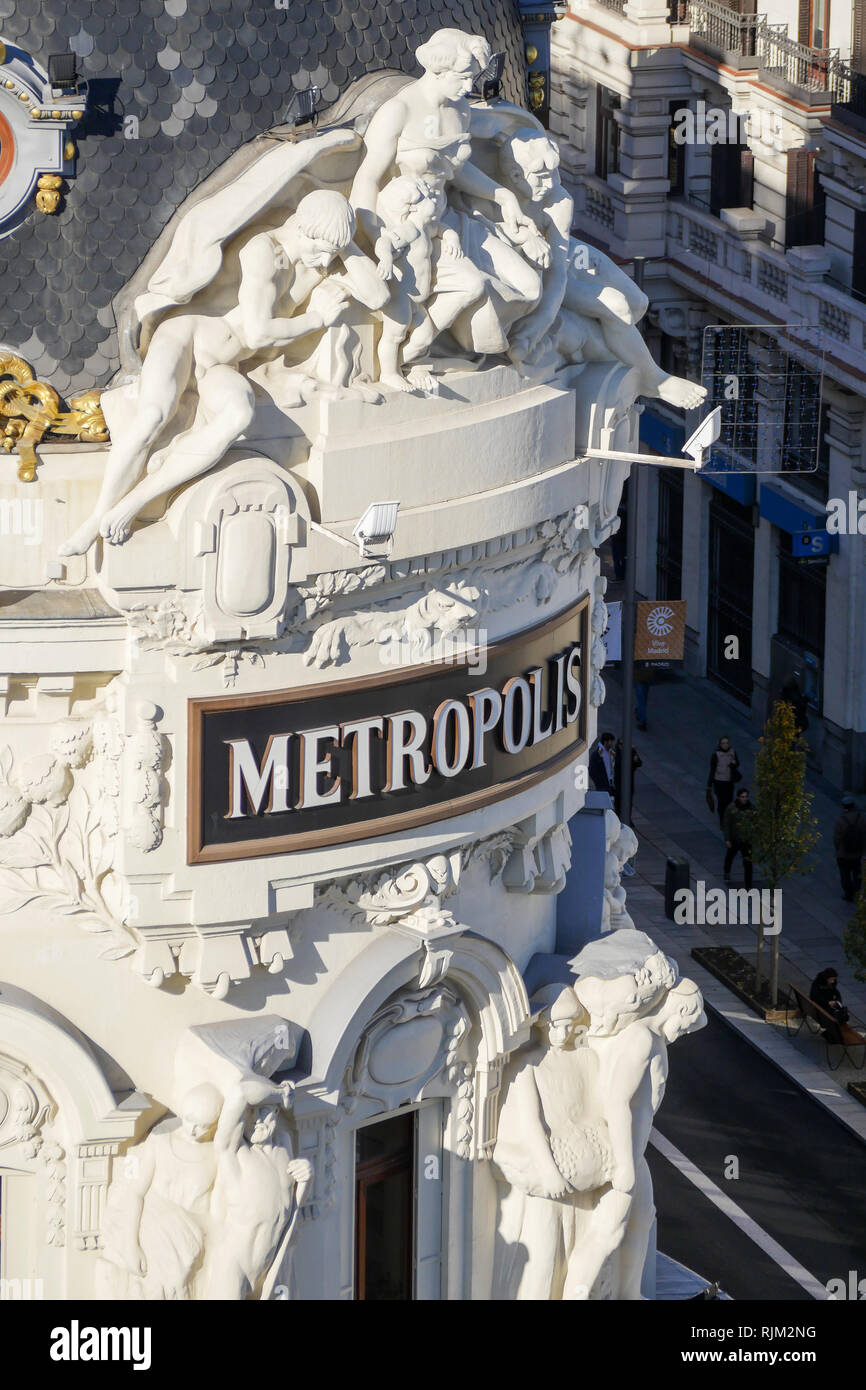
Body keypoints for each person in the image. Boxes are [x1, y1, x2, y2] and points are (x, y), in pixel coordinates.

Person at [833, 795, 866, 902]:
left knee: (845, 875)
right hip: (858, 853)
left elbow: (836, 838)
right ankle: (857, 892)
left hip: (844, 854)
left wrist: (838, 849)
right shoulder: (861, 818)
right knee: (858, 874)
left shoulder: (840, 820)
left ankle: (848, 894)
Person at [707, 735, 741, 831]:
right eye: (723, 743)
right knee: (722, 802)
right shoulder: (716, 754)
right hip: (719, 782)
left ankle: (728, 820)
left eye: (727, 743)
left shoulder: (732, 752)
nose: (725, 745)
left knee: (729, 802)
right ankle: (723, 821)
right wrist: (709, 784)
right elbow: (712, 770)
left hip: (729, 781)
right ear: (720, 744)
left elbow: (737, 763)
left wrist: (734, 764)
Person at [723, 786, 753, 889]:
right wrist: (727, 839)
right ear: (738, 797)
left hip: (746, 840)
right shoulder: (732, 808)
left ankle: (748, 885)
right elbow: (726, 824)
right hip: (734, 839)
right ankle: (727, 872)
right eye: (742, 797)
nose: (744, 799)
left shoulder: (751, 808)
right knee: (729, 857)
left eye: (746, 797)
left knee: (748, 863)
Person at [613, 738, 642, 823]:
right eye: (621, 744)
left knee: (628, 802)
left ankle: (627, 818)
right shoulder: (616, 754)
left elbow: (639, 763)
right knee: (618, 802)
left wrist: (634, 753)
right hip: (618, 783)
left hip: (629, 782)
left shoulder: (631, 753)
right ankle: (619, 818)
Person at [589, 732, 616, 798]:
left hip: (611, 784)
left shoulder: (612, 752)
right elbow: (592, 771)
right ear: (605, 741)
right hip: (602, 785)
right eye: (611, 741)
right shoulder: (597, 754)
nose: (612, 743)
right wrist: (599, 782)